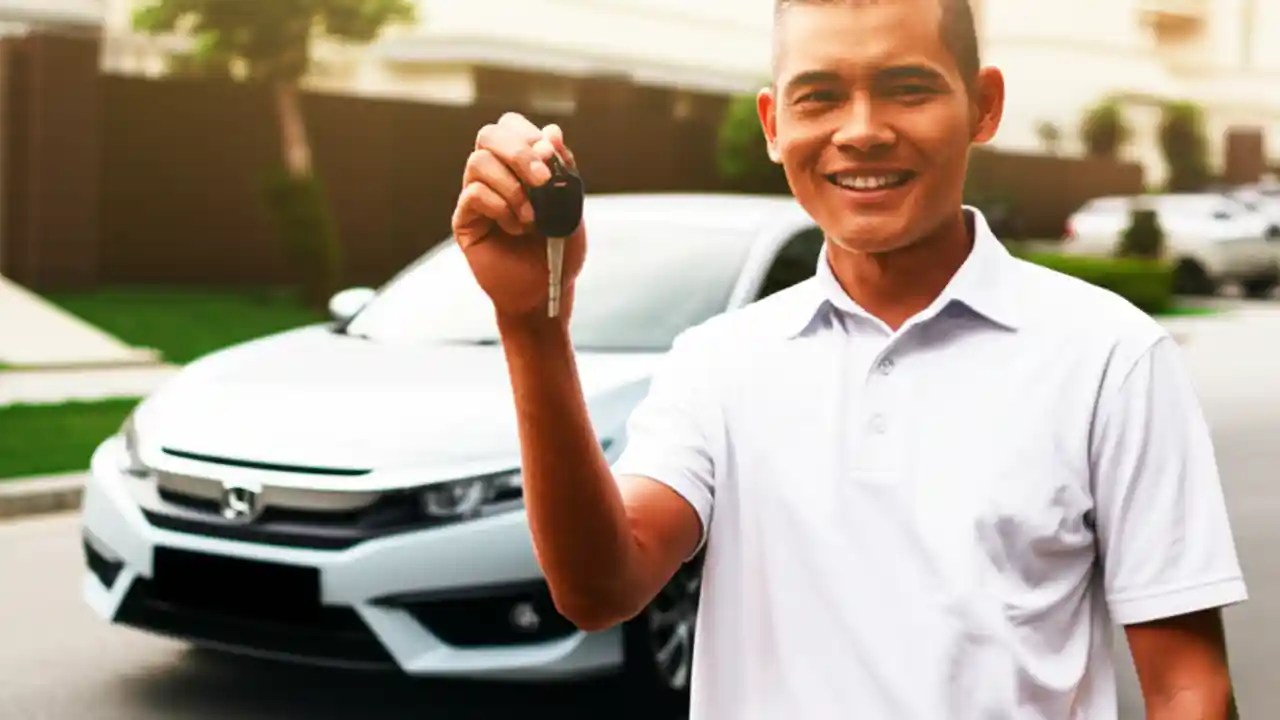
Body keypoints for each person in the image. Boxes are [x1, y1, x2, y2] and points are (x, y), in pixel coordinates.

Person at [449, 0, 1248, 717]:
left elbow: (1188, 686)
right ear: (773, 124)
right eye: (819, 96)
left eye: (908, 88)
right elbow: (598, 588)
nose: (861, 128)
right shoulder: (718, 362)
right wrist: (533, 323)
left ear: (984, 105)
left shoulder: (1111, 357)